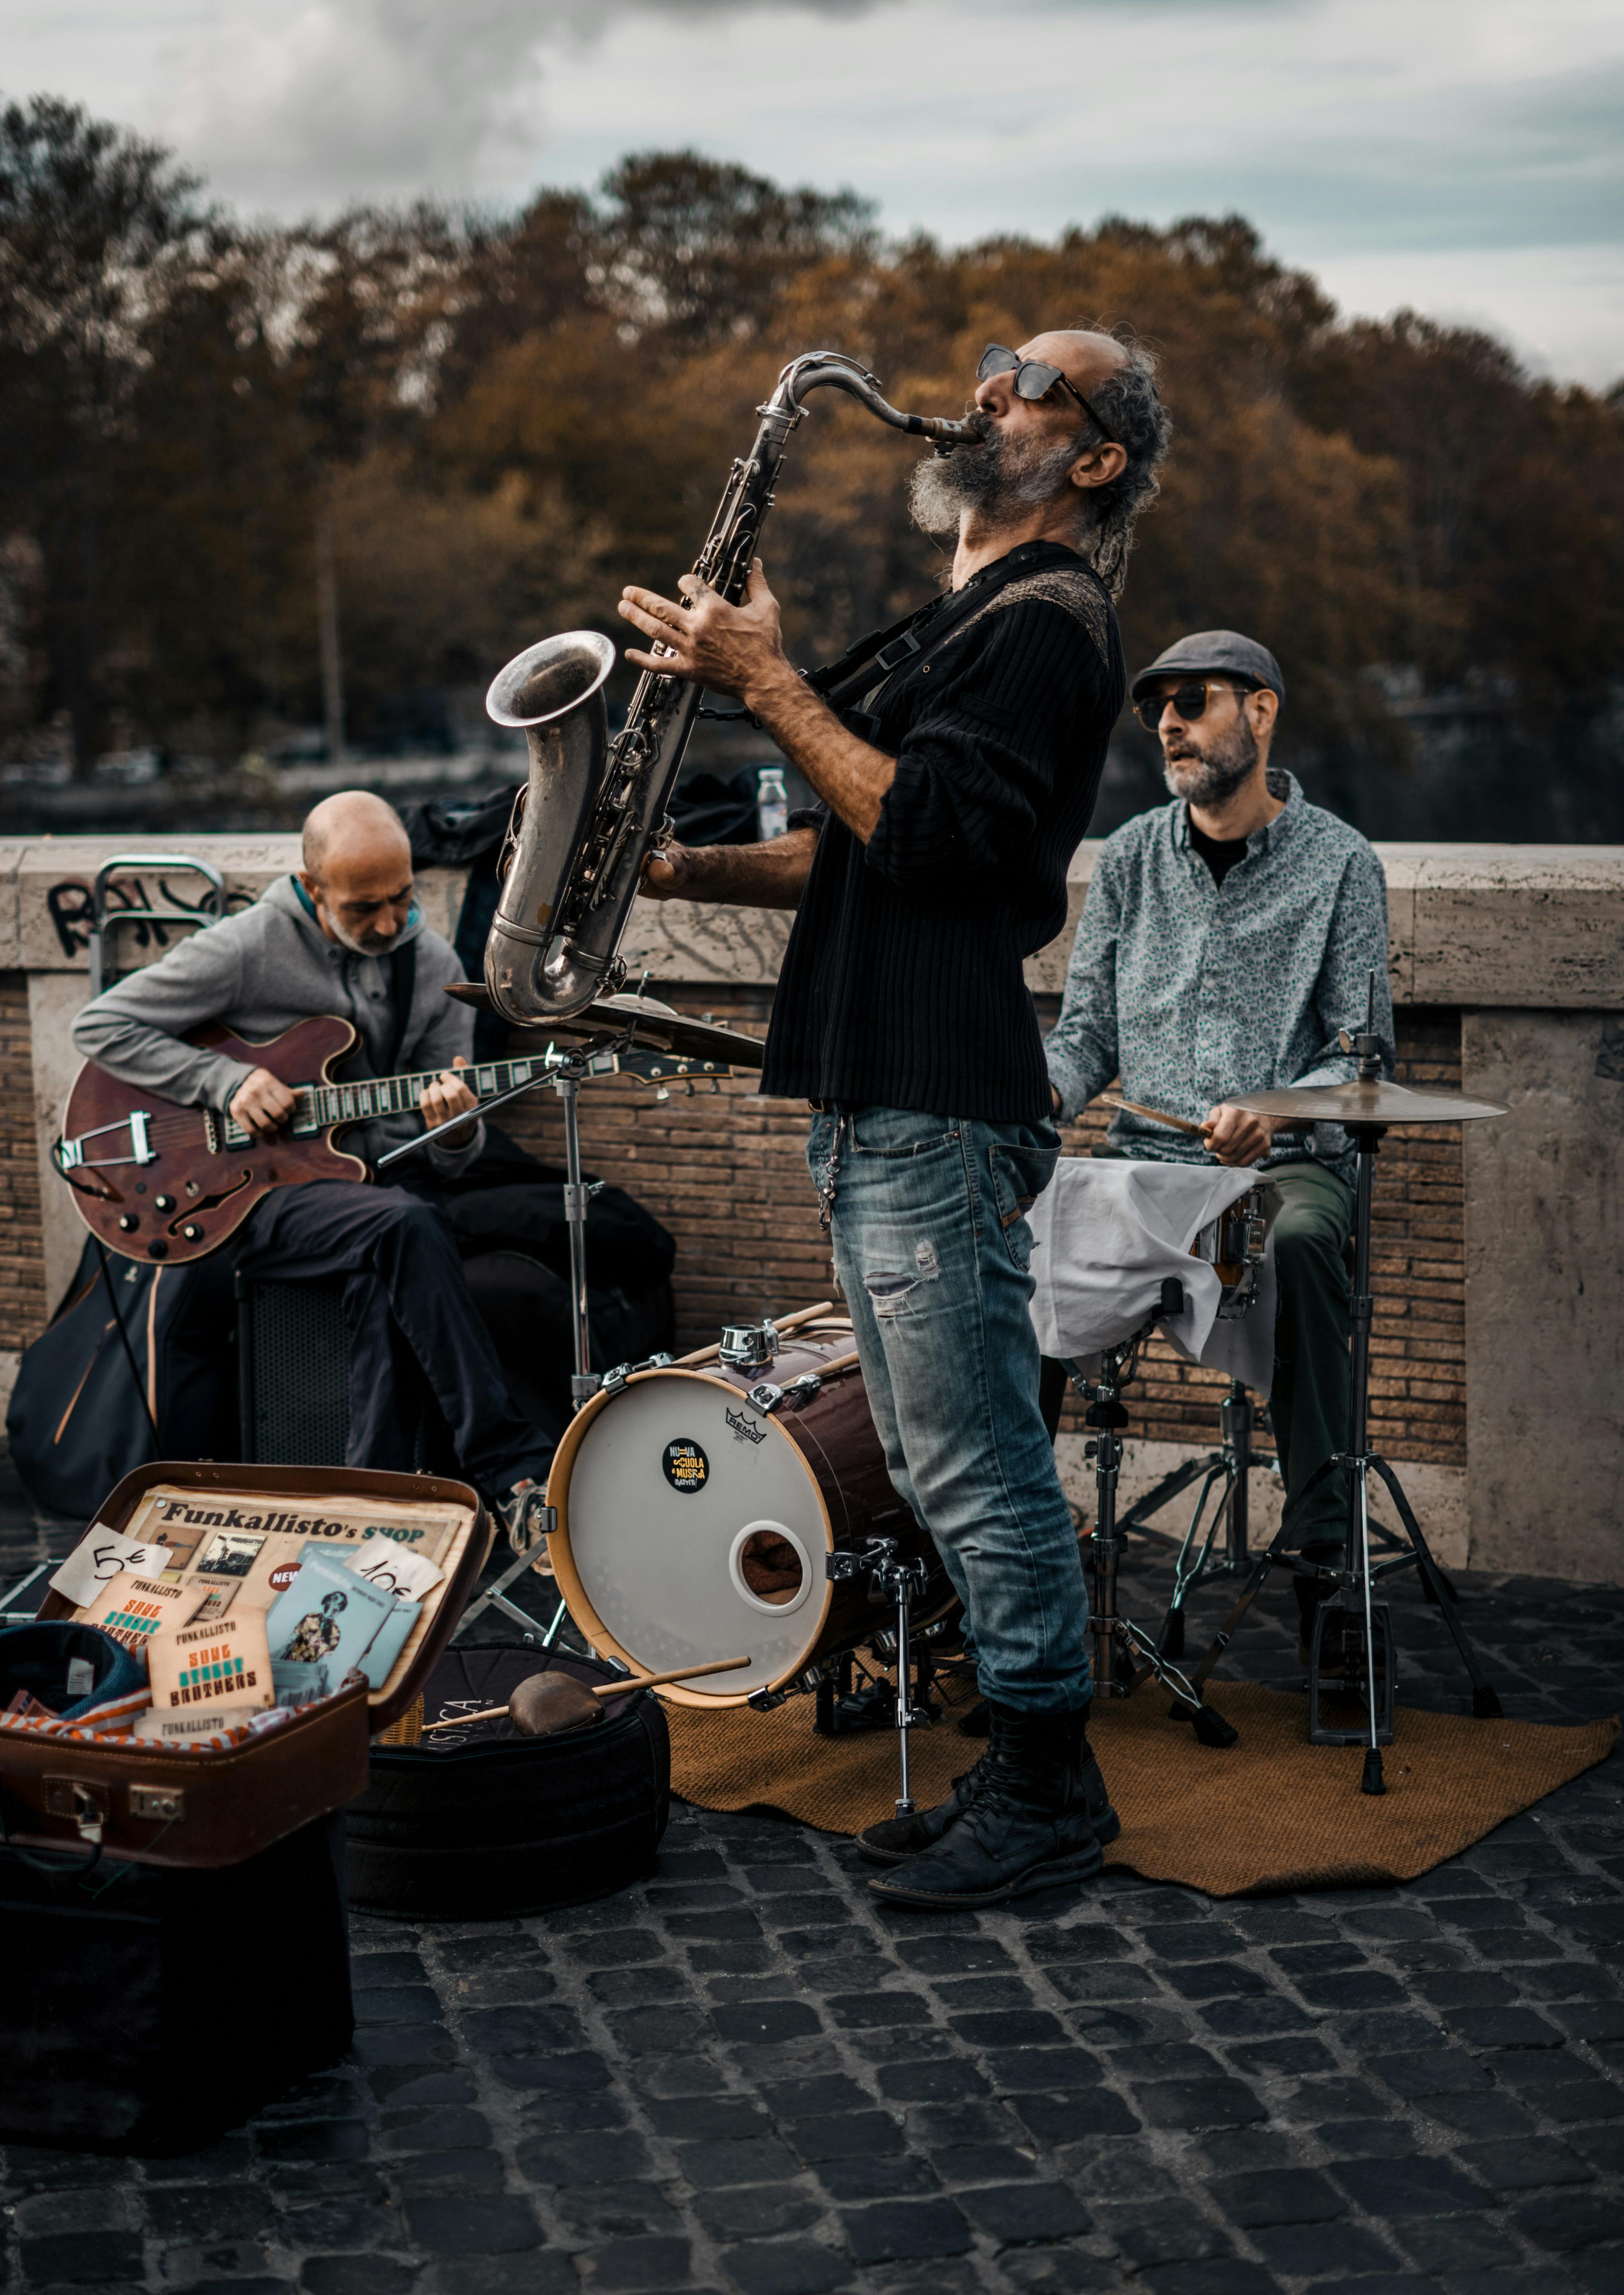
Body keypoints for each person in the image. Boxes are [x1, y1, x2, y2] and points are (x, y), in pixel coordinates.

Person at [626, 330, 1173, 1908]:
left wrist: (766, 678)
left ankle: (1047, 1789)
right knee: (935, 1461)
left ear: (1091, 462)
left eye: (1028, 380)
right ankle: (1015, 1763)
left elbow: (924, 836)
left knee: (974, 1457)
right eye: (993, 364)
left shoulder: (1049, 626)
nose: (982, 384)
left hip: (933, 1102)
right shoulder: (975, 616)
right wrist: (670, 869)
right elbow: (855, 835)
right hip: (885, 1094)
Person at [1042, 631, 1393, 1647]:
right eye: (1158, 708)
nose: (1169, 724)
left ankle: (1326, 1561)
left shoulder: (1340, 863)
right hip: (1138, 1159)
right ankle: (1006, 1551)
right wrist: (1035, 1100)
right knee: (1008, 1242)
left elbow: (1361, 1058)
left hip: (1284, 1168)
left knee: (1297, 1245)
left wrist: (1278, 1106)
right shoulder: (1128, 860)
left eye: (1193, 701)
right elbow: (1088, 1036)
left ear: (1261, 710)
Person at [70, 790, 554, 1524]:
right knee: (404, 1229)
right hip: (240, 1194)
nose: (388, 923)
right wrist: (225, 1081)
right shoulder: (252, 945)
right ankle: (511, 1466)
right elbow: (102, 1024)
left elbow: (415, 1149)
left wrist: (454, 1133)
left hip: (357, 1192)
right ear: (312, 888)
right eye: (362, 908)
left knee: (392, 1248)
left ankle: (366, 1506)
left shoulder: (430, 965)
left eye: (401, 898)